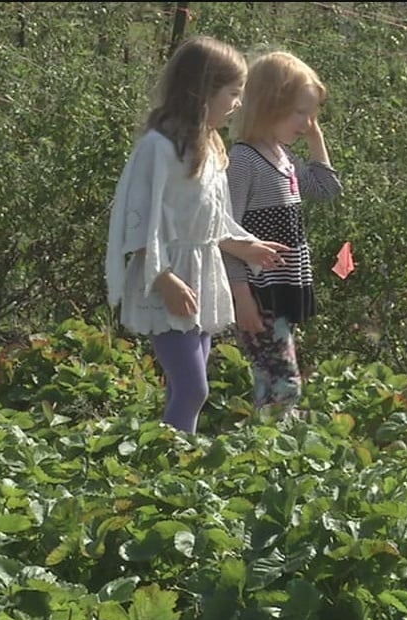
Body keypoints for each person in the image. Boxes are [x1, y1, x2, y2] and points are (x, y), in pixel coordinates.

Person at [104, 36, 289, 434]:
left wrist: (246, 246)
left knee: (187, 387)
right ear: (202, 91)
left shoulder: (210, 145)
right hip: (168, 278)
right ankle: (167, 465)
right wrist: (163, 277)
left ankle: (171, 465)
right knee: (192, 389)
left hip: (202, 278)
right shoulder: (158, 147)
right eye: (233, 93)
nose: (237, 103)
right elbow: (136, 223)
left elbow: (211, 218)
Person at [222, 51, 343, 417]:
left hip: (282, 288)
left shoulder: (283, 156)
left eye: (312, 115)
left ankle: (267, 447)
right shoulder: (244, 160)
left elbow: (326, 189)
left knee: (272, 379)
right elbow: (227, 233)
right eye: (299, 113)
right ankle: (274, 449)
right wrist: (242, 297)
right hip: (260, 292)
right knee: (282, 382)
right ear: (269, 105)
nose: (307, 124)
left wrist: (315, 137)